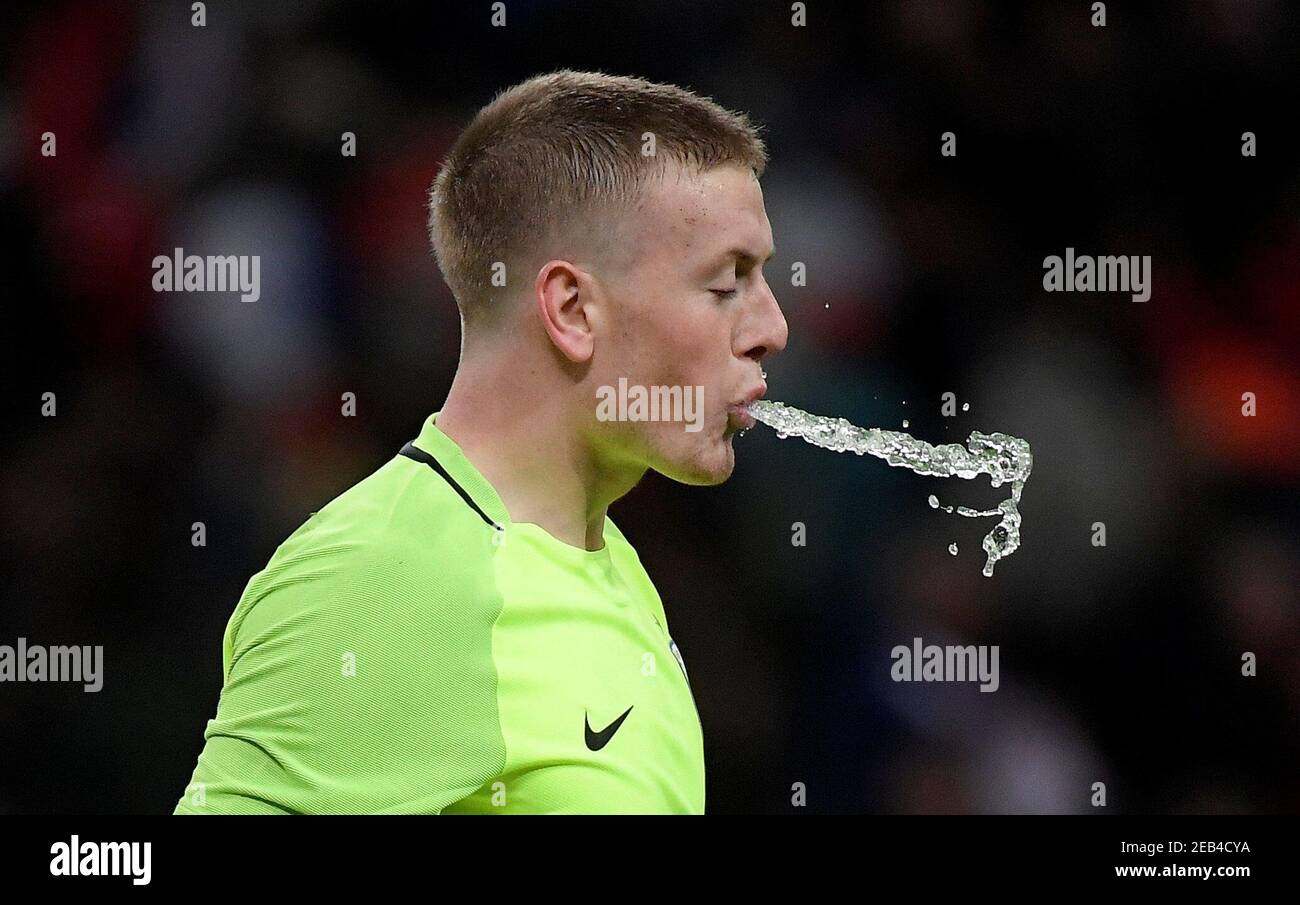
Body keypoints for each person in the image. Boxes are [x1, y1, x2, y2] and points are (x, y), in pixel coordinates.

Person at [175, 69, 787, 814]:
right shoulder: (381, 577)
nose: (772, 328)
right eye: (727, 283)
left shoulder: (609, 561)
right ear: (571, 309)